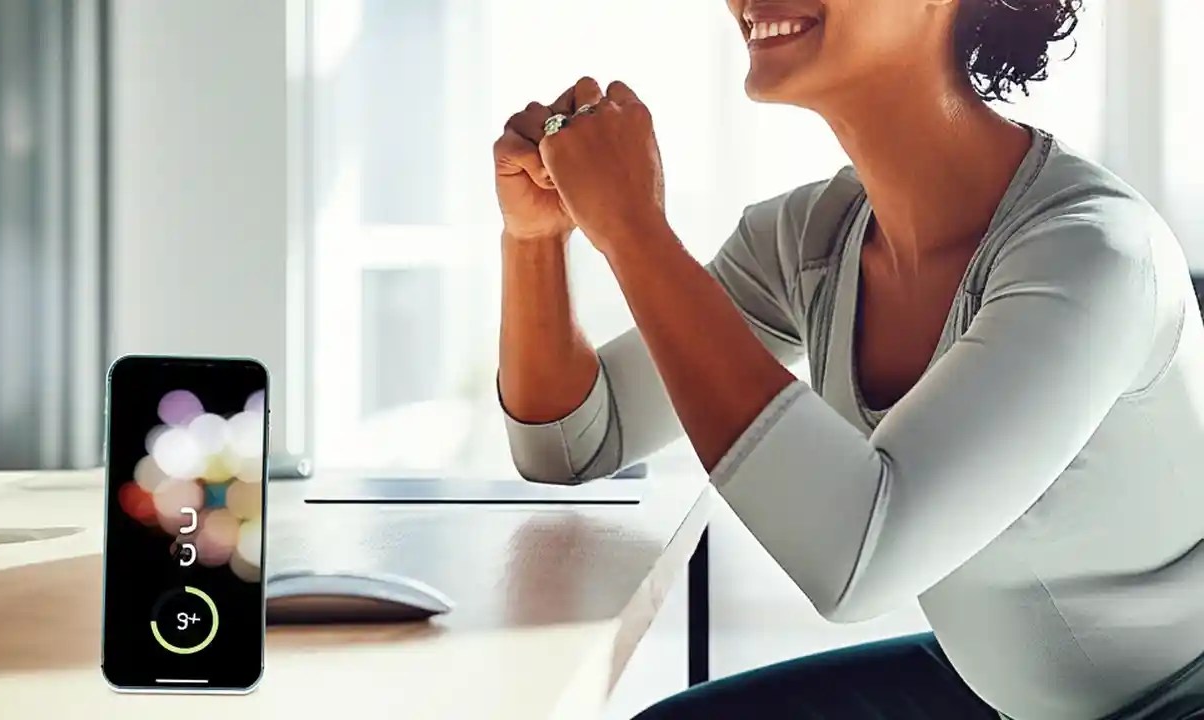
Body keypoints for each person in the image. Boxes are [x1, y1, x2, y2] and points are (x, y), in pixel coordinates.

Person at [493, 0, 1204, 717]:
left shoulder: (1095, 253)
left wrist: (634, 231)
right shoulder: (813, 238)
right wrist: (534, 241)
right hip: (1000, 697)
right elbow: (572, 443)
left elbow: (861, 561)